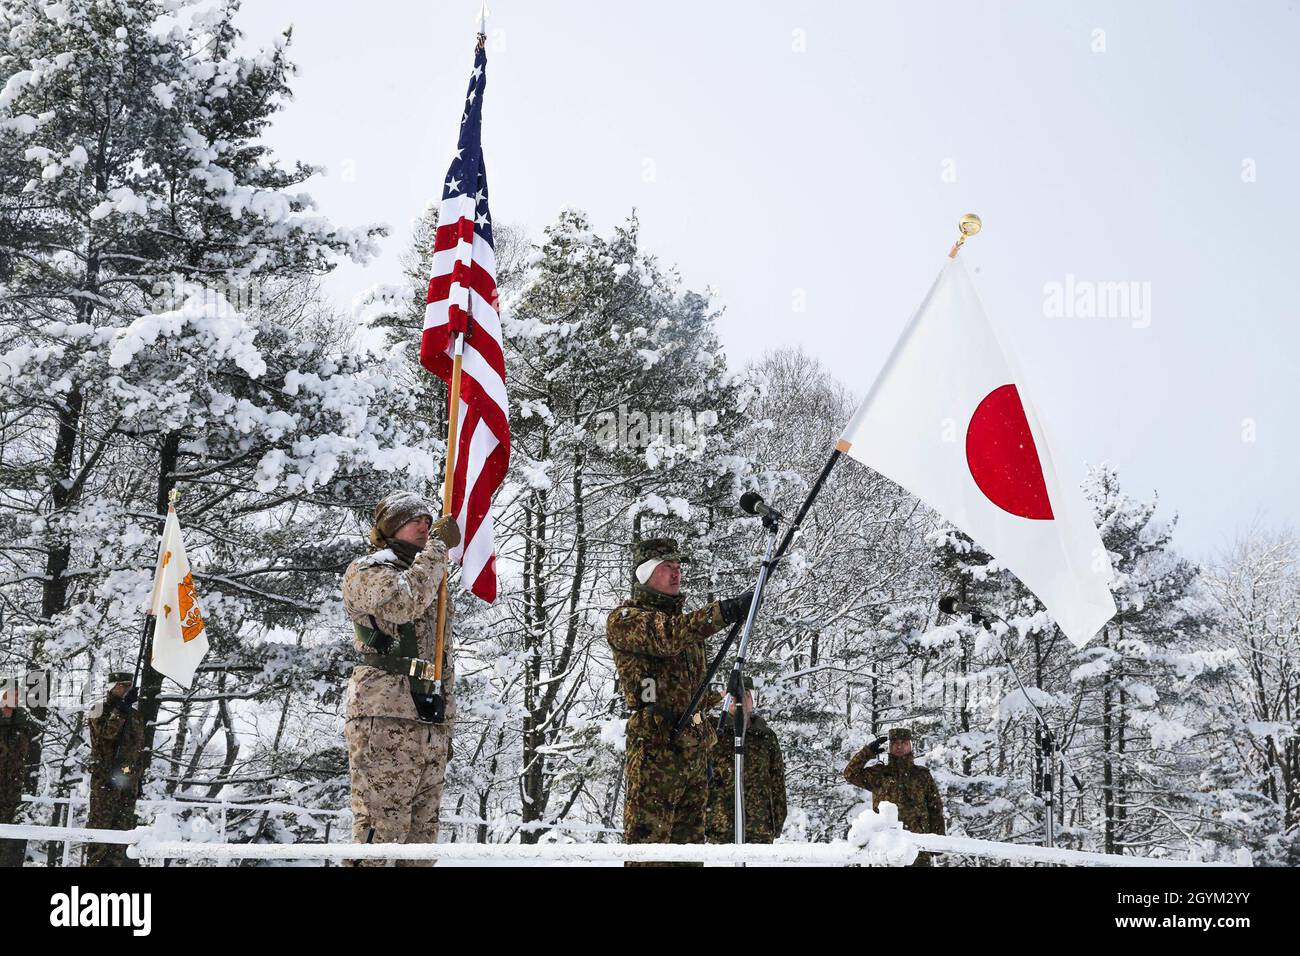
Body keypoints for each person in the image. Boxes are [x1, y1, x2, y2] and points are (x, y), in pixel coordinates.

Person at [606, 537, 753, 864]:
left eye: (678, 567)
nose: (676, 574)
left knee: (688, 856)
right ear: (645, 574)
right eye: (667, 567)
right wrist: (725, 611)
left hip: (693, 753)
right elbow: (667, 636)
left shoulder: (687, 629)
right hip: (657, 753)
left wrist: (711, 724)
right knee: (649, 854)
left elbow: (688, 689)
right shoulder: (627, 619)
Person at [341, 490, 461, 866]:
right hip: (386, 713)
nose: (426, 526)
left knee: (422, 839)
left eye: (430, 521)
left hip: (429, 715)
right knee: (382, 828)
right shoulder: (368, 570)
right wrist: (438, 551)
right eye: (416, 520)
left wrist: (447, 718)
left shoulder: (432, 576)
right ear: (392, 527)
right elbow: (403, 603)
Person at [843, 727, 946, 865]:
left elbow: (935, 807)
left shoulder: (921, 775)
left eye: (903, 742)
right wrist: (868, 752)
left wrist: (937, 842)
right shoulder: (879, 773)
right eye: (895, 743)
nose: (899, 746)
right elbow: (850, 774)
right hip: (885, 847)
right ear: (889, 747)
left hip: (917, 847)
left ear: (910, 745)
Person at [705, 675, 787, 844]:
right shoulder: (714, 731)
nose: (741, 700)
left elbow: (777, 781)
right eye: (735, 696)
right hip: (720, 825)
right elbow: (692, 712)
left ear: (752, 699)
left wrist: (777, 822)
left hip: (759, 826)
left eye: (746, 695)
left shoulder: (765, 736)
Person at [86, 671, 145, 867]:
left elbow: (137, 748)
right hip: (105, 778)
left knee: (122, 830)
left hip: (127, 778)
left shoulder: (135, 716)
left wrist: (137, 777)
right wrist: (121, 709)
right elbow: (107, 734)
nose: (125, 689)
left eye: (128, 685)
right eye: (121, 685)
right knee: (100, 828)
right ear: (111, 687)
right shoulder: (98, 708)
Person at [0, 682, 37, 867]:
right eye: (9, 694)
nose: (14, 698)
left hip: (10, 787)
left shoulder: (22, 722)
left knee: (5, 837)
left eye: (16, 694)